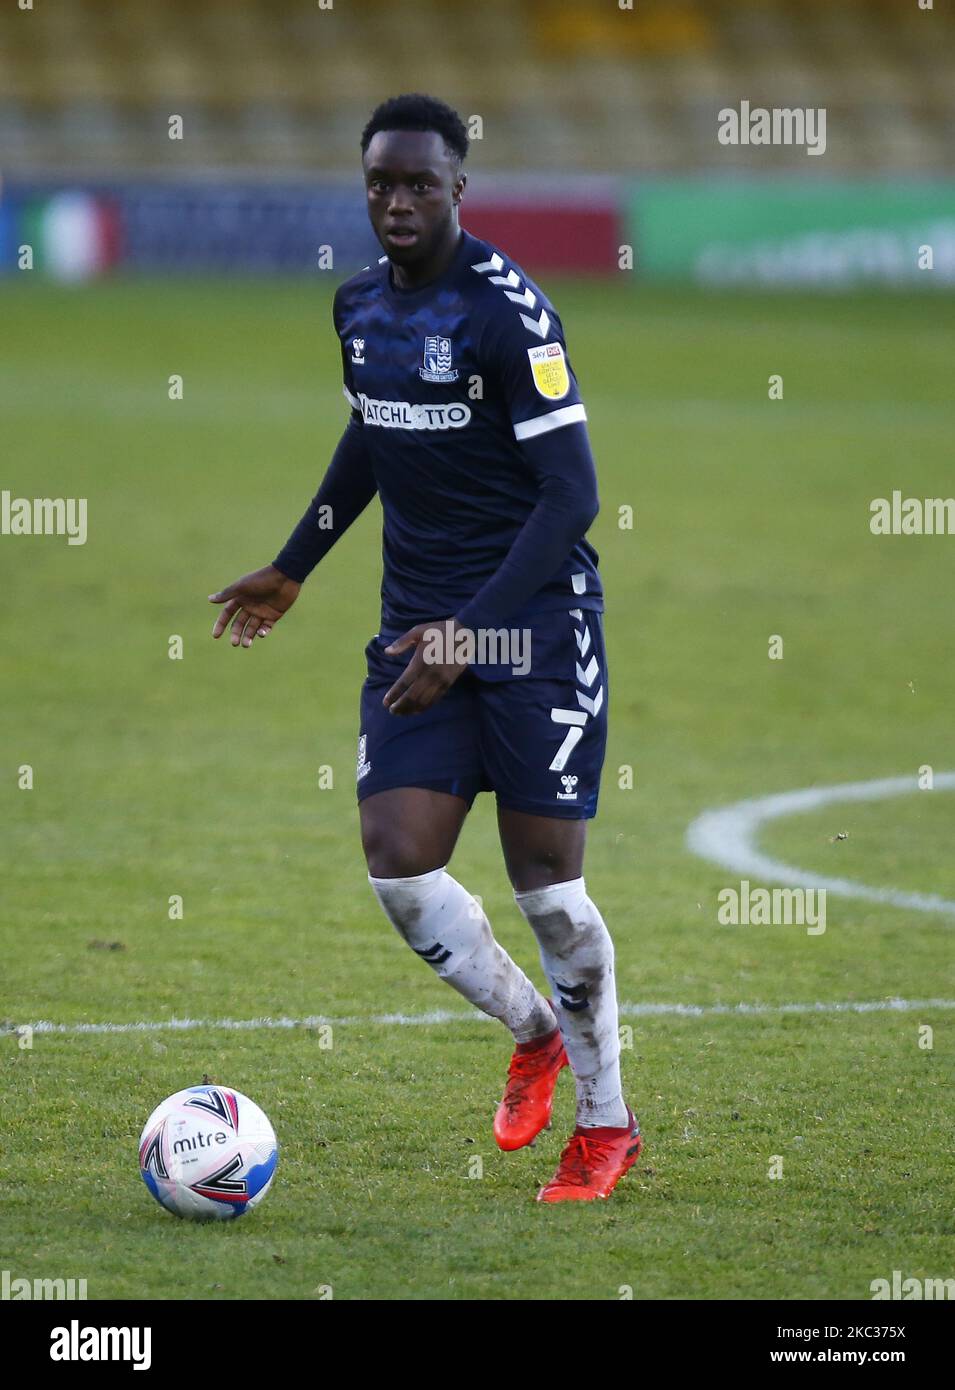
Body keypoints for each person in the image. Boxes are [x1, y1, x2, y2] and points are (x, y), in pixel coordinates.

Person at [210, 94, 640, 1202]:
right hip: (420, 628)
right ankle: (534, 1031)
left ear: (459, 189)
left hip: (534, 625)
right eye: (380, 184)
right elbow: (375, 426)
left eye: (418, 183)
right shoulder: (357, 308)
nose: (396, 201)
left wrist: (474, 627)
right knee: (398, 858)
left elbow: (571, 496)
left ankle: (606, 1123)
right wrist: (295, 560)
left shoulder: (510, 317)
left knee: (547, 885)